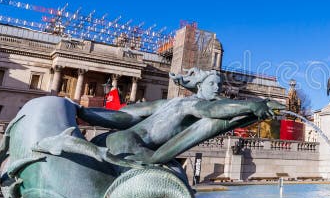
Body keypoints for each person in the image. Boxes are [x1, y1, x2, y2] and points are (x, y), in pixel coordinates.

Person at [34, 68, 284, 167]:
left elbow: (123, 116)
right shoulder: (194, 105)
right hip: (134, 147)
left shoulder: (169, 102)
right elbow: (214, 113)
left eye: (219, 85)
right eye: (213, 84)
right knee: (165, 172)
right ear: (200, 86)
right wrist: (252, 104)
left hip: (112, 140)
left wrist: (83, 113)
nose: (217, 89)